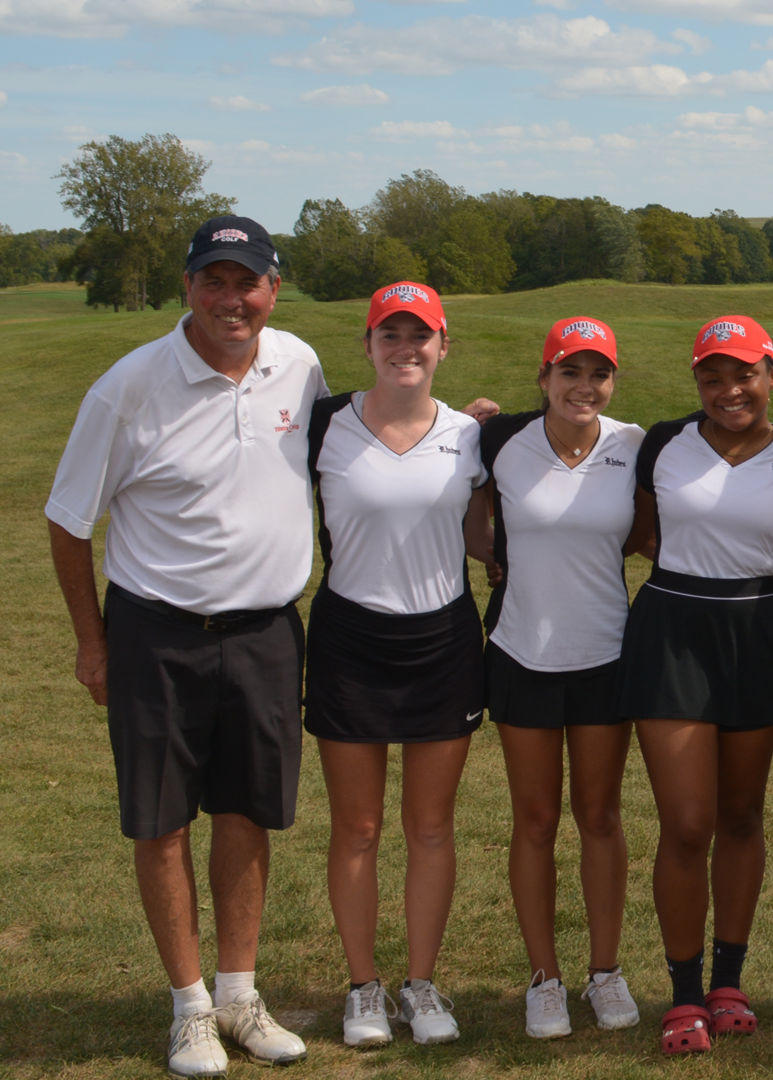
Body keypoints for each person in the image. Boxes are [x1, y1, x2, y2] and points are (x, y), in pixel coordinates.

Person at [46, 216, 316, 1077]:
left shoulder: (299, 366)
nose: (231, 300)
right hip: (158, 633)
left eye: (248, 282)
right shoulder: (128, 387)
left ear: (274, 287)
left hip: (267, 632)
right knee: (160, 821)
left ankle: (239, 996)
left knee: (246, 810)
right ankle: (190, 1008)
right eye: (214, 281)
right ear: (188, 286)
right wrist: (94, 644)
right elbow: (67, 521)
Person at [619, 315, 773, 1055]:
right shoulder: (663, 446)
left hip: (757, 626)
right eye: (712, 376)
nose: (729, 389)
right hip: (673, 627)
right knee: (686, 822)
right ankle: (683, 995)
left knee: (742, 814)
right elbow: (636, 533)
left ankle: (729, 980)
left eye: (744, 374)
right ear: (697, 382)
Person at [303, 281, 491, 1048]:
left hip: (443, 642)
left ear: (444, 345)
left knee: (431, 827)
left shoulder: (475, 436)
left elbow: (487, 533)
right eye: (391, 334)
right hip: (351, 640)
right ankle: (363, 990)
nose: (405, 348)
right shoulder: (323, 426)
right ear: (369, 344)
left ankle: (420, 983)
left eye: (421, 335)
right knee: (357, 827)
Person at [477, 317, 650, 1038]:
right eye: (569, 372)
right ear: (543, 377)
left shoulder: (636, 444)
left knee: (601, 817)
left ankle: (605, 972)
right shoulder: (498, 442)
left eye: (598, 374)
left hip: (607, 654)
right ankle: (544, 979)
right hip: (522, 654)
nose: (584, 387)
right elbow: (448, 461)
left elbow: (652, 527)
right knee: (536, 821)